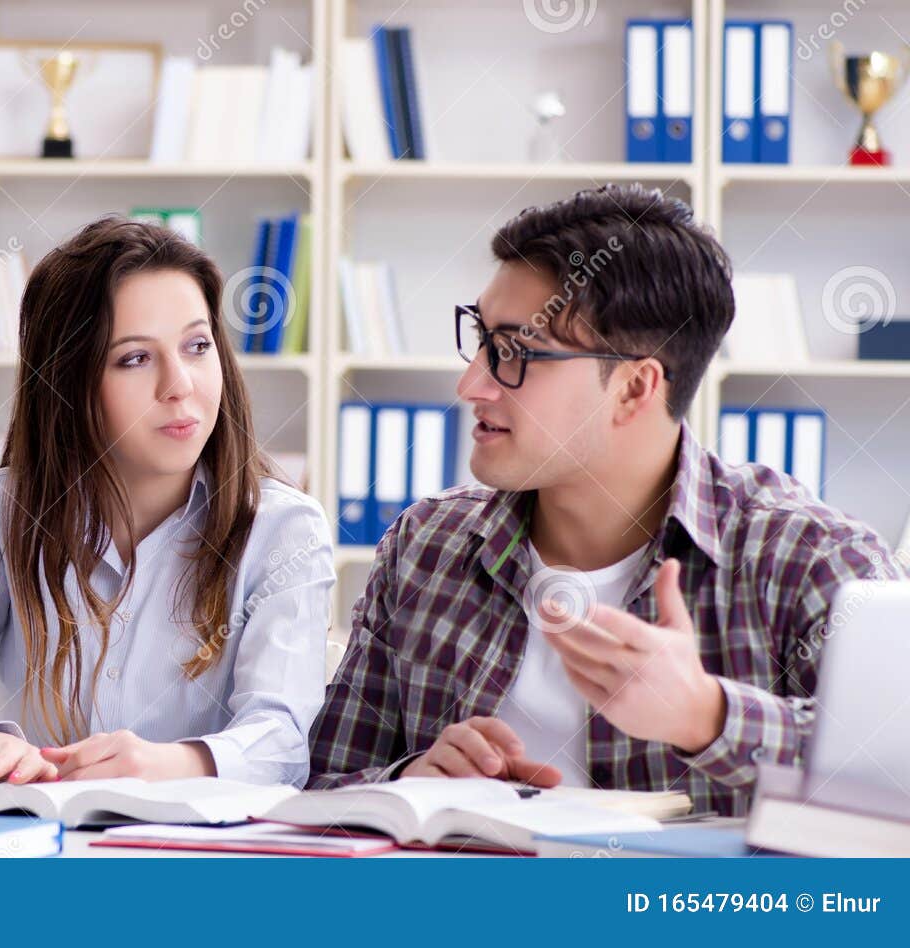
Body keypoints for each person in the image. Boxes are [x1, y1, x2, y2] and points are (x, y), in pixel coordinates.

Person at [308, 184, 902, 815]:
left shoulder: (808, 557)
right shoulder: (426, 546)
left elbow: (893, 783)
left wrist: (708, 716)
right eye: (480, 340)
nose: (471, 384)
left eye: (513, 353)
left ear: (634, 388)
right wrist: (411, 781)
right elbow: (320, 787)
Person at [0, 216, 333, 787]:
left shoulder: (283, 529)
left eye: (197, 346)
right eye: (135, 358)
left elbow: (282, 742)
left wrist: (166, 765)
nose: (179, 384)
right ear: (68, 382)